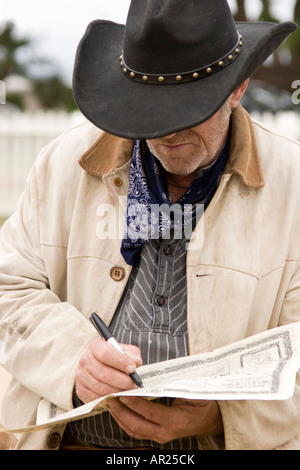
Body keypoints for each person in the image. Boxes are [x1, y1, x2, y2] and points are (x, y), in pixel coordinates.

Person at [0, 0, 299, 451]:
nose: (165, 132)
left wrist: (223, 414)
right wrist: (74, 358)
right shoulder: (62, 163)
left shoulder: (293, 185)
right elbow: (9, 287)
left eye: (187, 110)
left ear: (238, 88)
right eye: (148, 110)